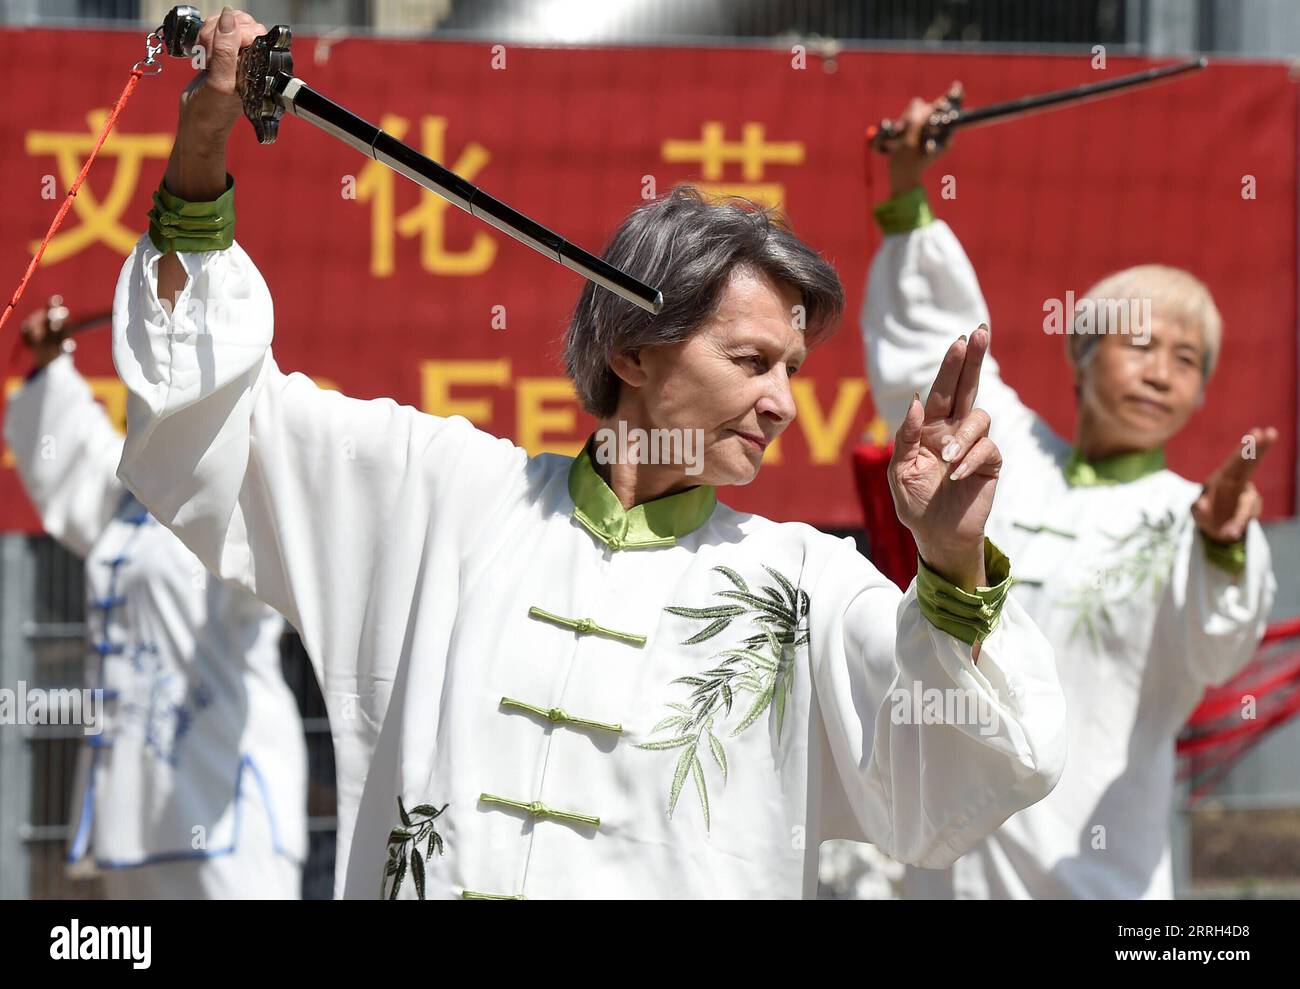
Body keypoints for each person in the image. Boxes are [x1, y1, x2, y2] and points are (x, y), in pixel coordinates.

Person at [110, 9, 1066, 899]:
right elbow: (217, 413)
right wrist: (203, 141)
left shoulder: (803, 584)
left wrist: (950, 563)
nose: (780, 401)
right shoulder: (441, 497)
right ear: (631, 352)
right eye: (750, 360)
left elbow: (969, 764)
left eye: (791, 369)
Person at [843, 84, 1278, 899]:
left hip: (1099, 882)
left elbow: (1222, 646)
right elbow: (938, 355)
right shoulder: (1009, 454)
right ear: (1081, 353)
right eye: (1139, 343)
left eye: (1187, 361)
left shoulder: (1191, 518)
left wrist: (1221, 545)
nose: (1159, 371)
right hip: (946, 871)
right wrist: (908, 190)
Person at [4, 302, 307, 899]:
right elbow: (72, 457)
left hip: (227, 806)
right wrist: (51, 361)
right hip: (133, 810)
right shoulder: (128, 499)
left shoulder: (245, 491)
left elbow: (275, 575)